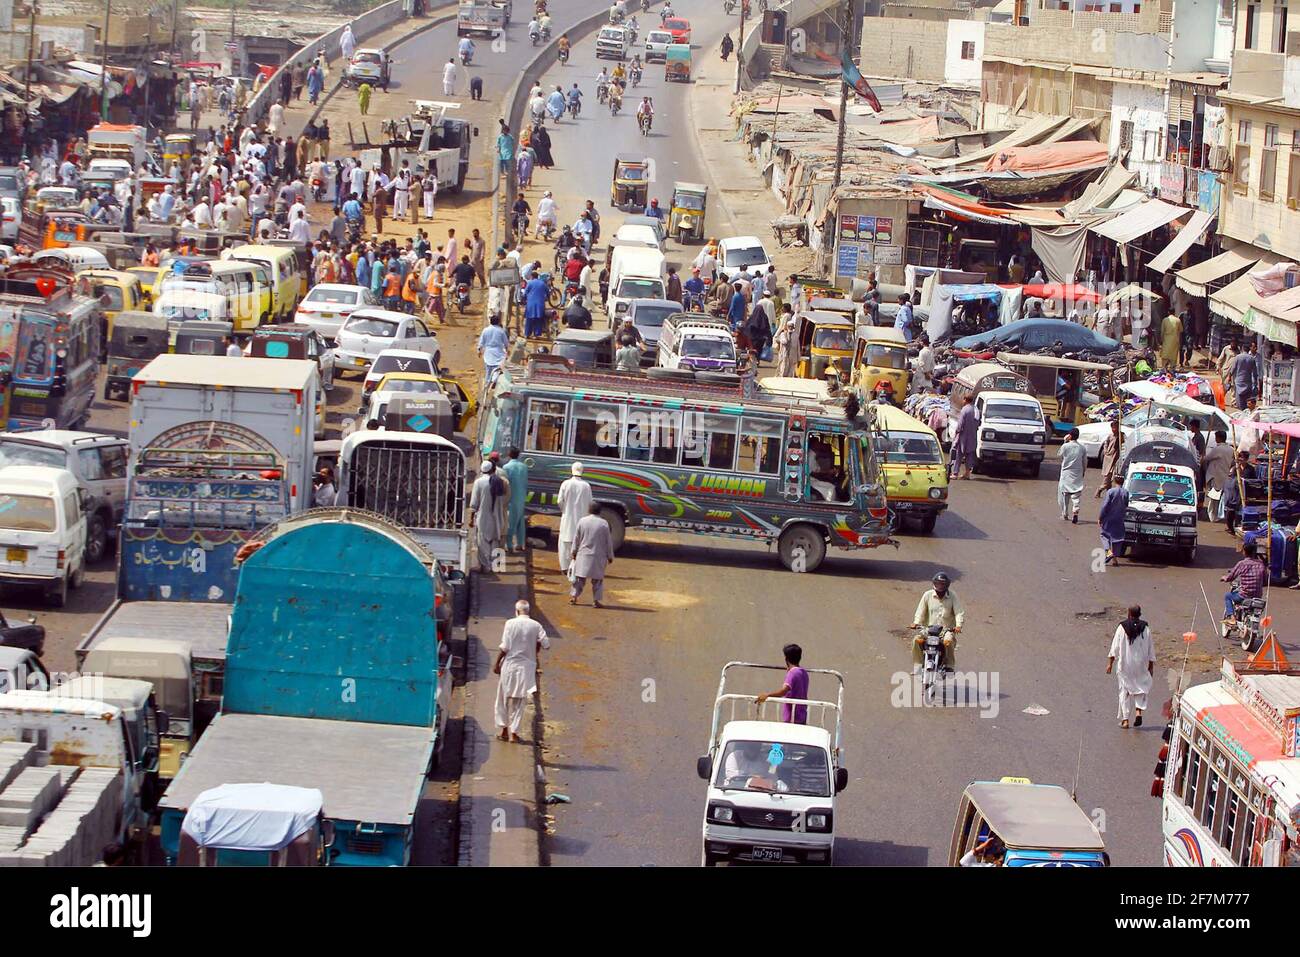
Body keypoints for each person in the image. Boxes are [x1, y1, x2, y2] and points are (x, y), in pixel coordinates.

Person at [493, 600, 550, 743]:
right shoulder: (536, 625)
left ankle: (504, 730)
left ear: (517, 611)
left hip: (510, 665)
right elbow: (546, 644)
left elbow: (505, 647)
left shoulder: (510, 624)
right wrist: (535, 644)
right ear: (528, 611)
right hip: (527, 667)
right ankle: (514, 733)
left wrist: (497, 664)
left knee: (503, 698)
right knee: (520, 701)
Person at [1106, 605, 1156, 729]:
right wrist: (1151, 666)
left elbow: (1115, 647)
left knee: (1124, 690)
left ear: (1129, 613)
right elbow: (1150, 648)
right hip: (1140, 664)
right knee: (1141, 687)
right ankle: (1138, 712)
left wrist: (1110, 663)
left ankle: (1125, 719)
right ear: (1140, 614)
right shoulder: (1145, 628)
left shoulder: (1122, 627)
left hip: (1125, 665)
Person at [911, 572, 964, 671]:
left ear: (947, 585)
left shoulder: (952, 596)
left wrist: (958, 625)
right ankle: (918, 664)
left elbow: (959, 612)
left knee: (949, 641)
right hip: (929, 629)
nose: (939, 586)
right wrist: (916, 622)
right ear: (934, 584)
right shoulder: (927, 595)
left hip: (945, 630)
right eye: (938, 583)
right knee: (916, 640)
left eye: (942, 584)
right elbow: (920, 611)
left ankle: (949, 666)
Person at [568, 502, 615, 606]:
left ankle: (574, 598)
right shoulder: (604, 523)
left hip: (583, 555)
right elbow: (608, 541)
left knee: (579, 579)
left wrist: (573, 552)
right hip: (599, 556)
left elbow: (576, 538)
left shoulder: (582, 521)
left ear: (589, 510)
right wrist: (610, 556)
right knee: (597, 581)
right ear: (600, 511)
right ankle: (596, 601)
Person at [469, 460, 509, 572]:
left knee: (482, 542)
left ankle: (485, 566)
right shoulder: (500, 482)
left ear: (482, 470)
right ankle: (496, 566)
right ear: (493, 469)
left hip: (483, 516)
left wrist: (471, 518)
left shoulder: (479, 482)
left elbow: (474, 503)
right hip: (498, 516)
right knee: (495, 540)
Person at [755, 643, 810, 724]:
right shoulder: (804, 673)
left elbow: (783, 691)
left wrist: (767, 695)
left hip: (792, 717)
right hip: (802, 715)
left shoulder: (792, 673)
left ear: (786, 659)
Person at [557, 461, 593, 577]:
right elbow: (590, 504)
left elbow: (559, 501)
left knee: (564, 543)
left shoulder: (566, 484)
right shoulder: (586, 486)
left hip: (567, 518)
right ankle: (576, 567)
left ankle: (565, 567)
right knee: (579, 544)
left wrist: (564, 510)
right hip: (581, 520)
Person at [1222, 541, 1268, 623]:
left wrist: (1224, 578)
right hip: (1258, 595)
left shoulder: (1242, 564)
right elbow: (1265, 580)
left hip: (1244, 595)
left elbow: (1230, 577)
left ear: (1244, 552)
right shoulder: (1261, 564)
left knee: (1228, 596)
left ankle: (1232, 618)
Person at [499, 447, 529, 553]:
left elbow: (506, 484)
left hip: (511, 497)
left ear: (509, 454)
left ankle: (509, 545)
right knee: (521, 521)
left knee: (510, 522)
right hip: (521, 497)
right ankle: (520, 544)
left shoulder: (506, 467)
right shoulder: (524, 467)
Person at [1201, 430, 1233, 520]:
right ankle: (1217, 516)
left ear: (1218, 438)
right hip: (1224, 476)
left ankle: (1212, 517)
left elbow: (1207, 458)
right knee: (1219, 498)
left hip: (1215, 476)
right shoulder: (1231, 449)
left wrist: (1203, 456)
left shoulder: (1218, 449)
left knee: (1213, 497)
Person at [1098, 473, 1128, 565]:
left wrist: (1100, 517)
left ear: (1114, 481)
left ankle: (1108, 553)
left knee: (1104, 535)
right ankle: (1114, 560)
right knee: (1116, 539)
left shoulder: (1111, 492)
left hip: (1109, 517)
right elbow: (1126, 505)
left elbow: (1105, 506)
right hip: (1120, 518)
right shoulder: (1126, 492)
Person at [1057, 428, 1087, 523]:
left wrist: (1064, 441)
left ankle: (1065, 513)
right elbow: (1085, 462)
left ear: (1070, 435)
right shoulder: (1082, 448)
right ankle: (1075, 509)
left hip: (1066, 473)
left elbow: (1059, 455)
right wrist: (1083, 472)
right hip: (1077, 472)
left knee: (1065, 493)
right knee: (1076, 493)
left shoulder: (1065, 446)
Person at [949, 395, 977, 479]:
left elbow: (960, 424)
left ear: (965, 400)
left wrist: (957, 432)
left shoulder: (964, 410)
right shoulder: (975, 410)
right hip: (972, 436)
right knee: (969, 455)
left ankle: (955, 473)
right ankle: (967, 474)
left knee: (958, 454)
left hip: (963, 436)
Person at [477, 312, 509, 379]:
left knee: (488, 371)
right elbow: (506, 343)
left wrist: (479, 351)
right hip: (498, 353)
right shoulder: (501, 331)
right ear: (498, 322)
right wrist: (507, 352)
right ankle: (494, 381)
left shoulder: (485, 330)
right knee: (496, 371)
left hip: (488, 353)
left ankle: (487, 383)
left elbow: (481, 343)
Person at [1095, 417, 1121, 499]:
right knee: (1107, 478)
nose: (1114, 429)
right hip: (1109, 459)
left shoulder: (1121, 436)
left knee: (1113, 478)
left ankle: (1109, 495)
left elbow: (1122, 444)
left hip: (1116, 459)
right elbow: (1106, 444)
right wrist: (1106, 451)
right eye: (1113, 428)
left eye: (1116, 427)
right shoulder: (1110, 436)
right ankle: (1099, 490)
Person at [1231, 342, 1261, 409]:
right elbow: (1255, 373)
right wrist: (1255, 383)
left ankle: (1241, 411)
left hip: (1238, 382)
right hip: (1248, 382)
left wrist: (1229, 378)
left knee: (1239, 401)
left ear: (1242, 349)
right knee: (1247, 401)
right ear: (1249, 349)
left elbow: (1233, 369)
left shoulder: (1237, 357)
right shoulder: (1251, 359)